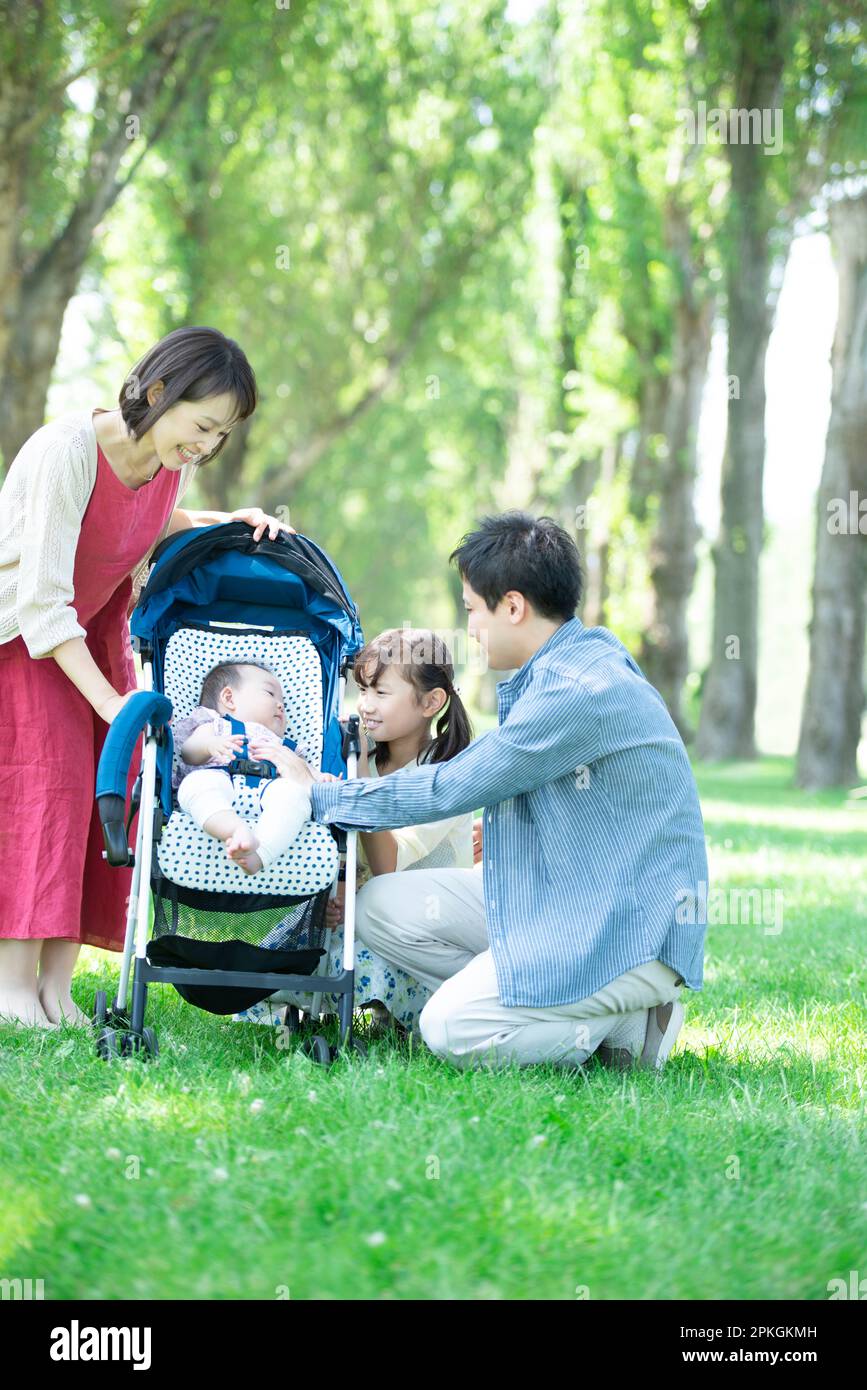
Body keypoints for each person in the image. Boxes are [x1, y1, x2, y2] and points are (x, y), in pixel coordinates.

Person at [270, 511, 709, 1072]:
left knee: (448, 1029)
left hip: (627, 926)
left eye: (473, 610)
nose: (470, 628)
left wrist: (320, 796)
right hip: (561, 902)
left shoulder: (578, 690)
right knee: (379, 905)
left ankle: (610, 1025)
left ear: (514, 606)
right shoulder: (569, 664)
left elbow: (451, 786)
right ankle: (563, 1008)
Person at [0, 326, 293, 1027]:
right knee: (53, 783)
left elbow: (157, 521)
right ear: (157, 393)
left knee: (107, 789)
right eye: (201, 425)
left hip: (95, 630)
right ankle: (10, 984)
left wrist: (230, 520)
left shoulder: (169, 464)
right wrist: (109, 699)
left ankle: (55, 986)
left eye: (220, 435)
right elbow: (41, 601)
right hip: (29, 635)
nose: (205, 445)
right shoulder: (68, 449)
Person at [237, 628, 475, 1031]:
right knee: (302, 943)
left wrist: (361, 775)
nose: (365, 706)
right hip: (368, 911)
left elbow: (388, 863)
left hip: (421, 929)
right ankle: (317, 1003)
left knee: (361, 948)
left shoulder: (444, 774)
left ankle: (399, 1006)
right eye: (362, 691)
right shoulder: (362, 761)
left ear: (431, 702)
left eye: (381, 693)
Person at [172, 660, 314, 875]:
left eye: (282, 700)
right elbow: (189, 752)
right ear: (229, 698)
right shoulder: (214, 724)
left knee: (295, 795)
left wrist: (321, 778)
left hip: (269, 794)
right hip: (220, 779)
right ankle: (235, 829)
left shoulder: (283, 745)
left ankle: (260, 854)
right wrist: (210, 745)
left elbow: (303, 774)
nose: (281, 705)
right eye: (270, 693)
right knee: (196, 784)